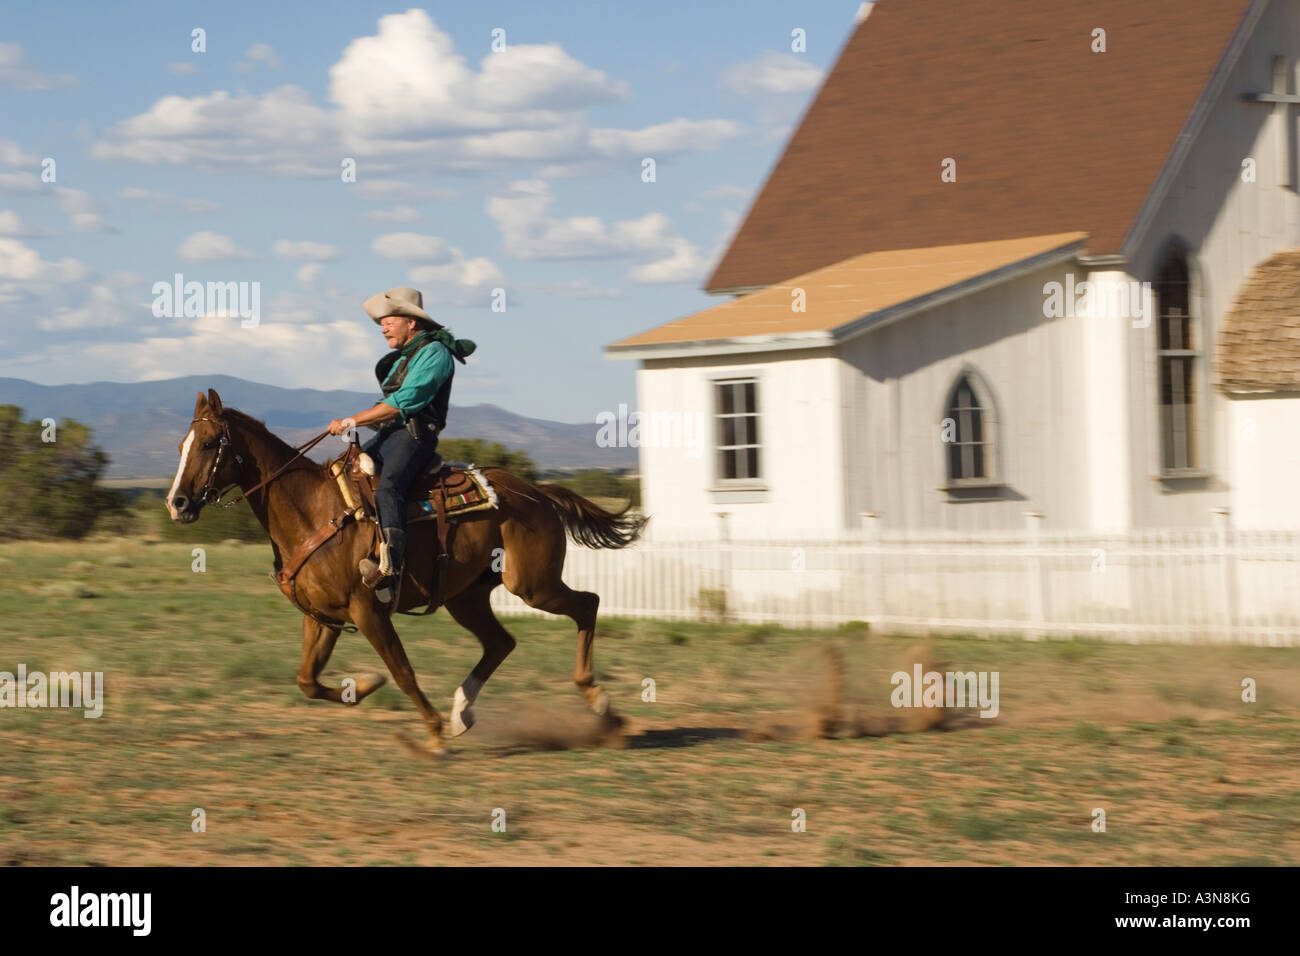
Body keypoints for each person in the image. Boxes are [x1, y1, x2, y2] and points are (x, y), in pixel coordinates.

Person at [327, 287, 476, 589]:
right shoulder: (403, 358)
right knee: (350, 476)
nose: (382, 328)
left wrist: (353, 420)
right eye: (380, 323)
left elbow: (407, 400)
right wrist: (360, 420)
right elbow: (387, 405)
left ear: (411, 321)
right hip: (392, 434)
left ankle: (390, 565)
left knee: (388, 487)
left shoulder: (435, 353)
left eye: (388, 321)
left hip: (416, 436)